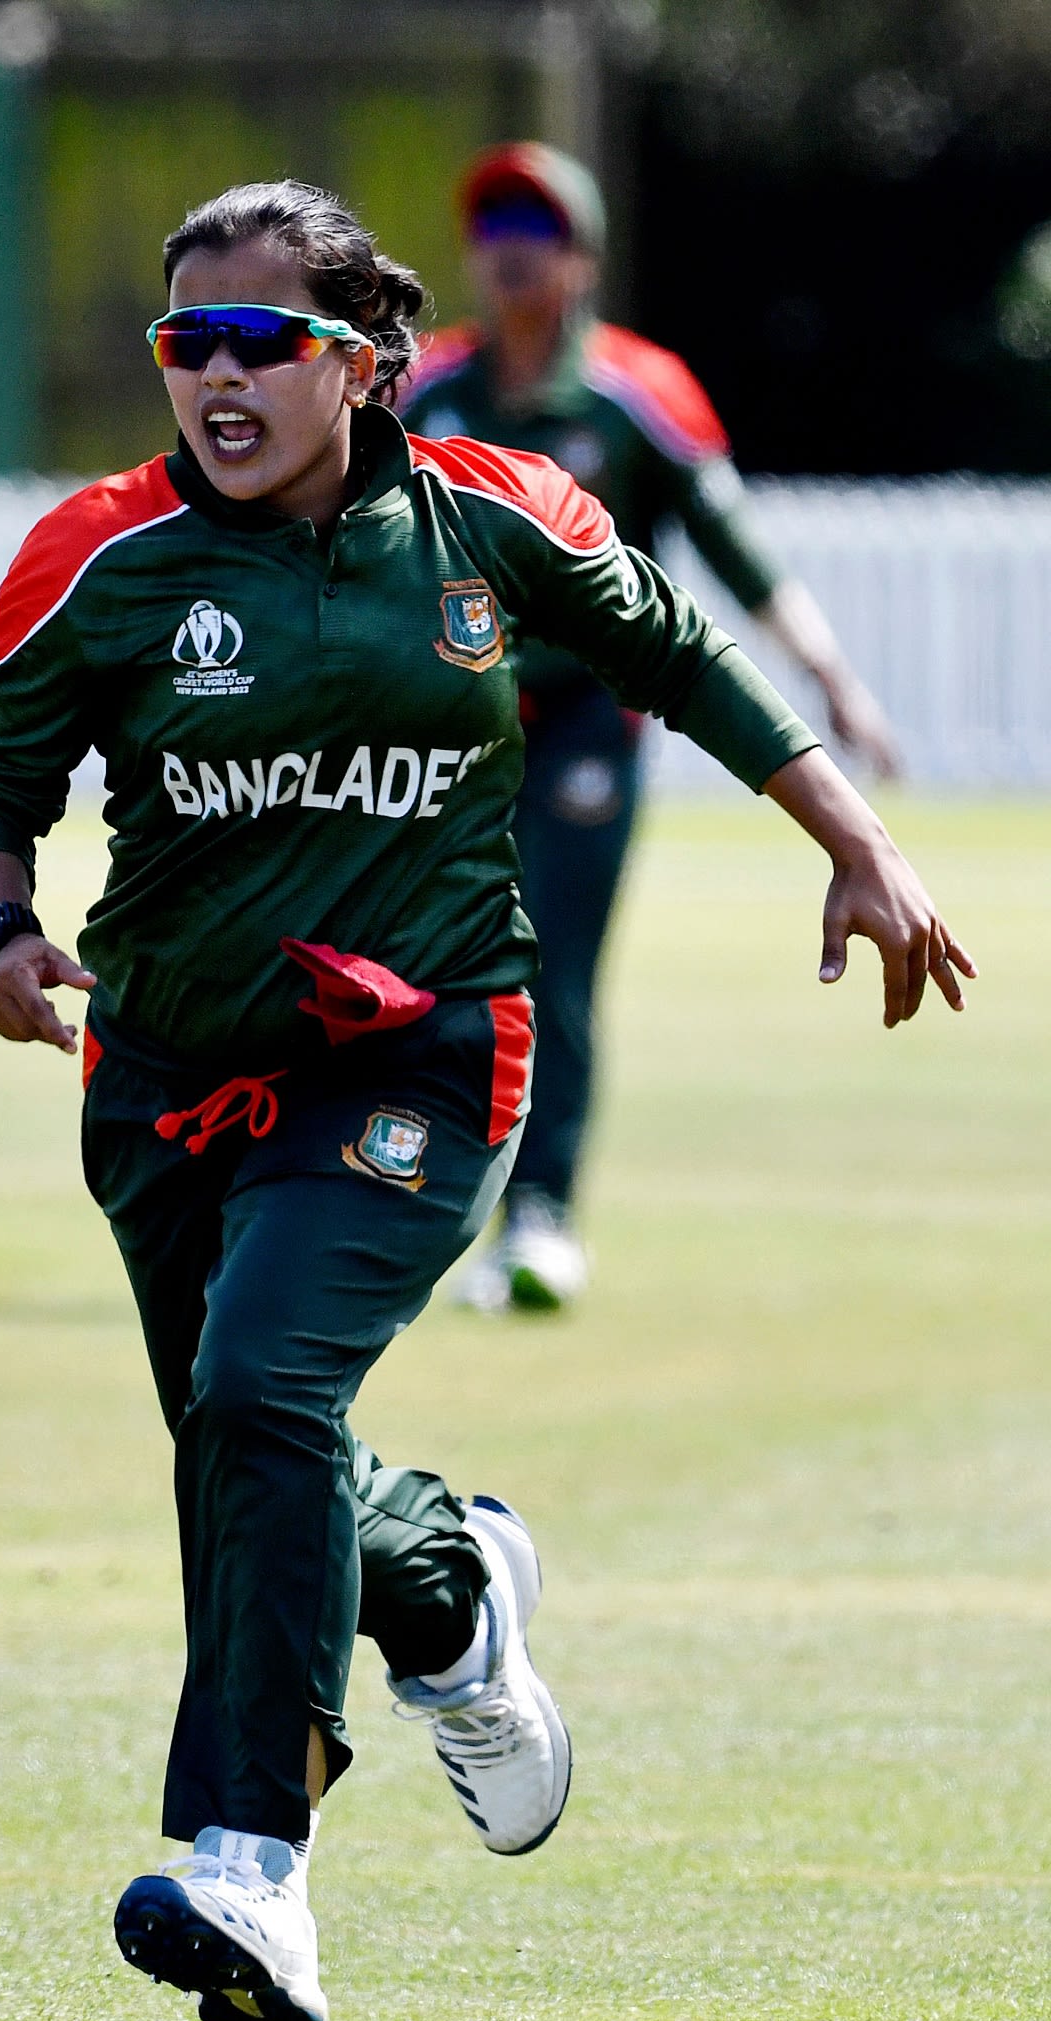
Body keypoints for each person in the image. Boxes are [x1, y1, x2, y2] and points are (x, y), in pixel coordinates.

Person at [0, 179, 973, 2021]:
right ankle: (445, 1589)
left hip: (424, 1055)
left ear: (371, 360)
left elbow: (680, 654)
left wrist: (861, 846)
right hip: (164, 1072)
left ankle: (253, 1871)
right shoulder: (99, 557)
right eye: (191, 343)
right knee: (254, 1443)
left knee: (259, 1397)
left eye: (270, 341)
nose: (221, 378)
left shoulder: (497, 518)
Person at [401, 142, 904, 1313]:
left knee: (553, 967)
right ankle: (418, 1206)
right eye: (490, 227)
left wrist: (830, 677)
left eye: (535, 226)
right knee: (427, 972)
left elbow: (736, 553)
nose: (508, 249)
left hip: (586, 724)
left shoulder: (637, 389)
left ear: (579, 258)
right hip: (446, 732)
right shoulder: (429, 391)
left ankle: (542, 1217)